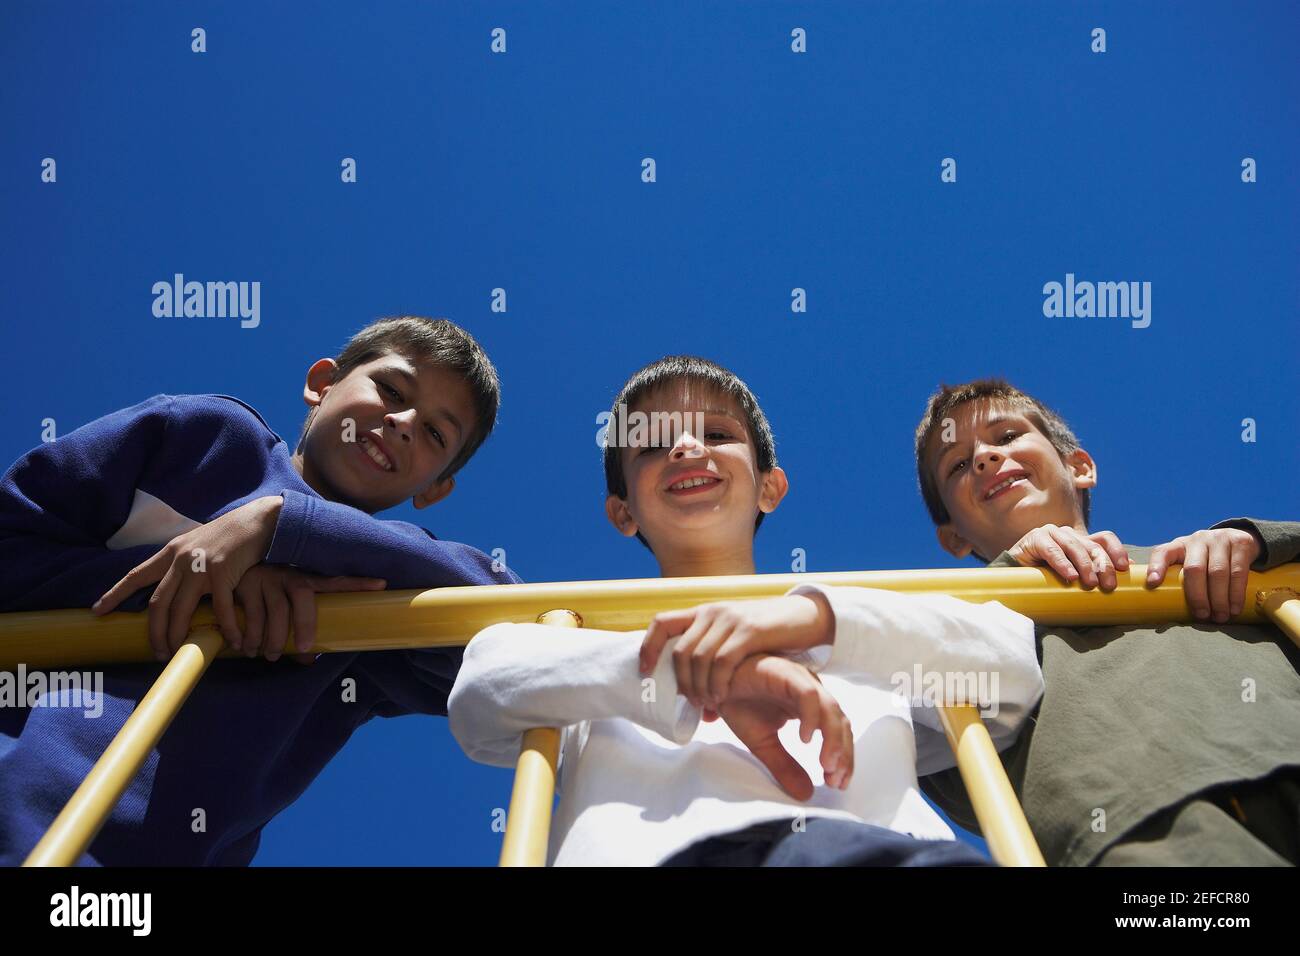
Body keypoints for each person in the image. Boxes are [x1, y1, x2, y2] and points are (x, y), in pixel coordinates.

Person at [450, 356, 1041, 866]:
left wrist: (818, 621)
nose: (686, 447)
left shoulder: (864, 623)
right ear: (622, 511)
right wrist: (695, 669)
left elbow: (1009, 668)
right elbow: (483, 684)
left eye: (716, 433)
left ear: (770, 487)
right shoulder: (578, 631)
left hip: (872, 848)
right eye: (653, 444)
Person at [0, 316, 520, 865]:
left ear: (435, 488)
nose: (404, 421)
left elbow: (514, 621)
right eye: (391, 389)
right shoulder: (205, 443)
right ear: (322, 383)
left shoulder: (382, 586)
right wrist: (207, 590)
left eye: (437, 433)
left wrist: (285, 525)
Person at [913, 377, 1300, 865]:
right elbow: (873, 708)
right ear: (953, 539)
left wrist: (1261, 542)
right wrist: (1009, 576)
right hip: (1138, 830)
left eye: (1007, 437)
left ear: (1080, 466)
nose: (987, 458)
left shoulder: (1214, 568)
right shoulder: (944, 630)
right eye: (959, 465)